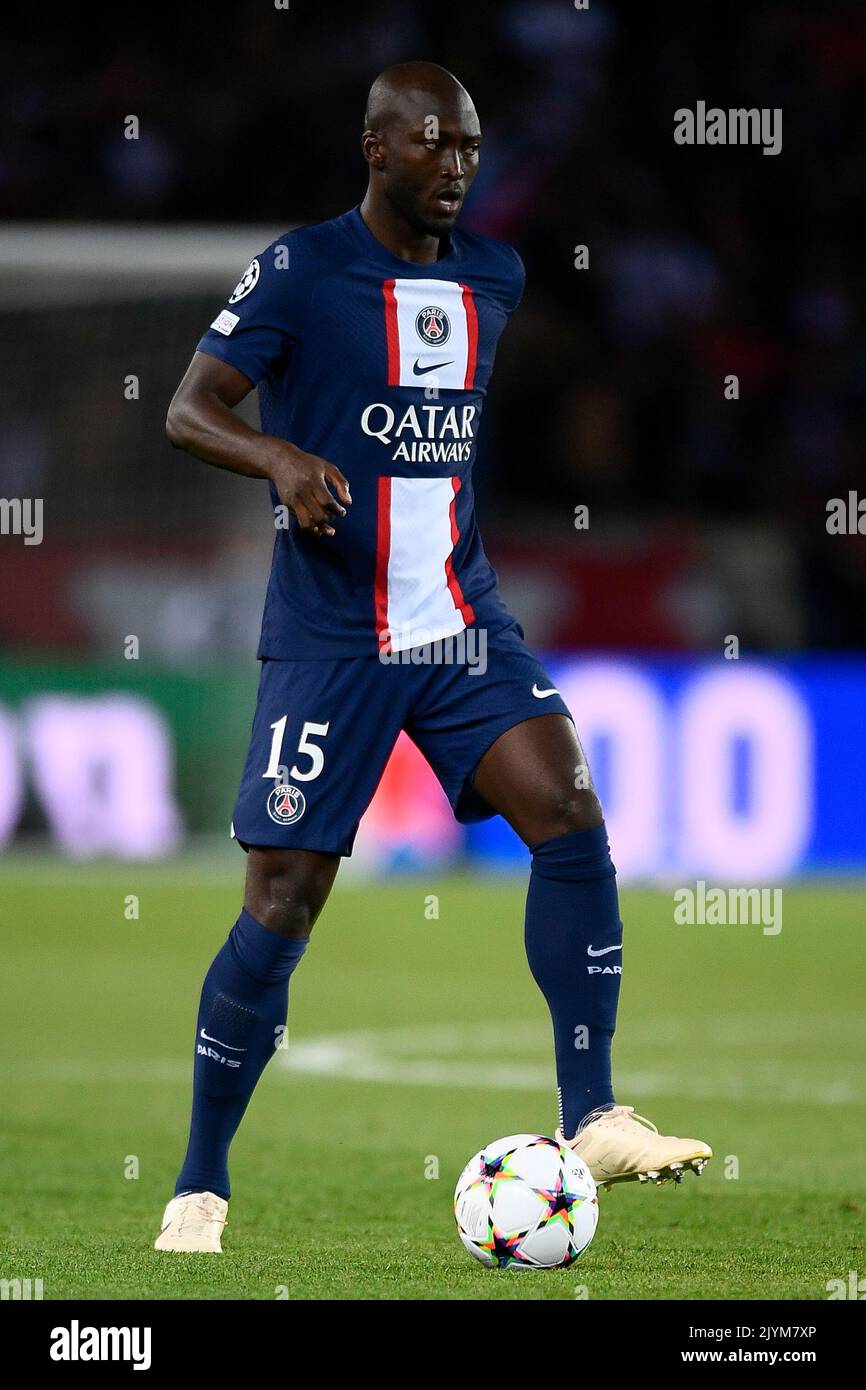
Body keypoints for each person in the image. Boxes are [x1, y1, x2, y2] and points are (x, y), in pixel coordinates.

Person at [155, 61, 710, 1254]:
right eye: (430, 143)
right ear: (374, 148)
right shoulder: (302, 269)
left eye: (468, 145)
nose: (456, 164)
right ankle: (199, 1182)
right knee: (284, 899)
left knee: (567, 811)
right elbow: (189, 409)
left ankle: (593, 1110)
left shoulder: (495, 278)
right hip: (329, 639)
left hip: (459, 621)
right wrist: (283, 461)